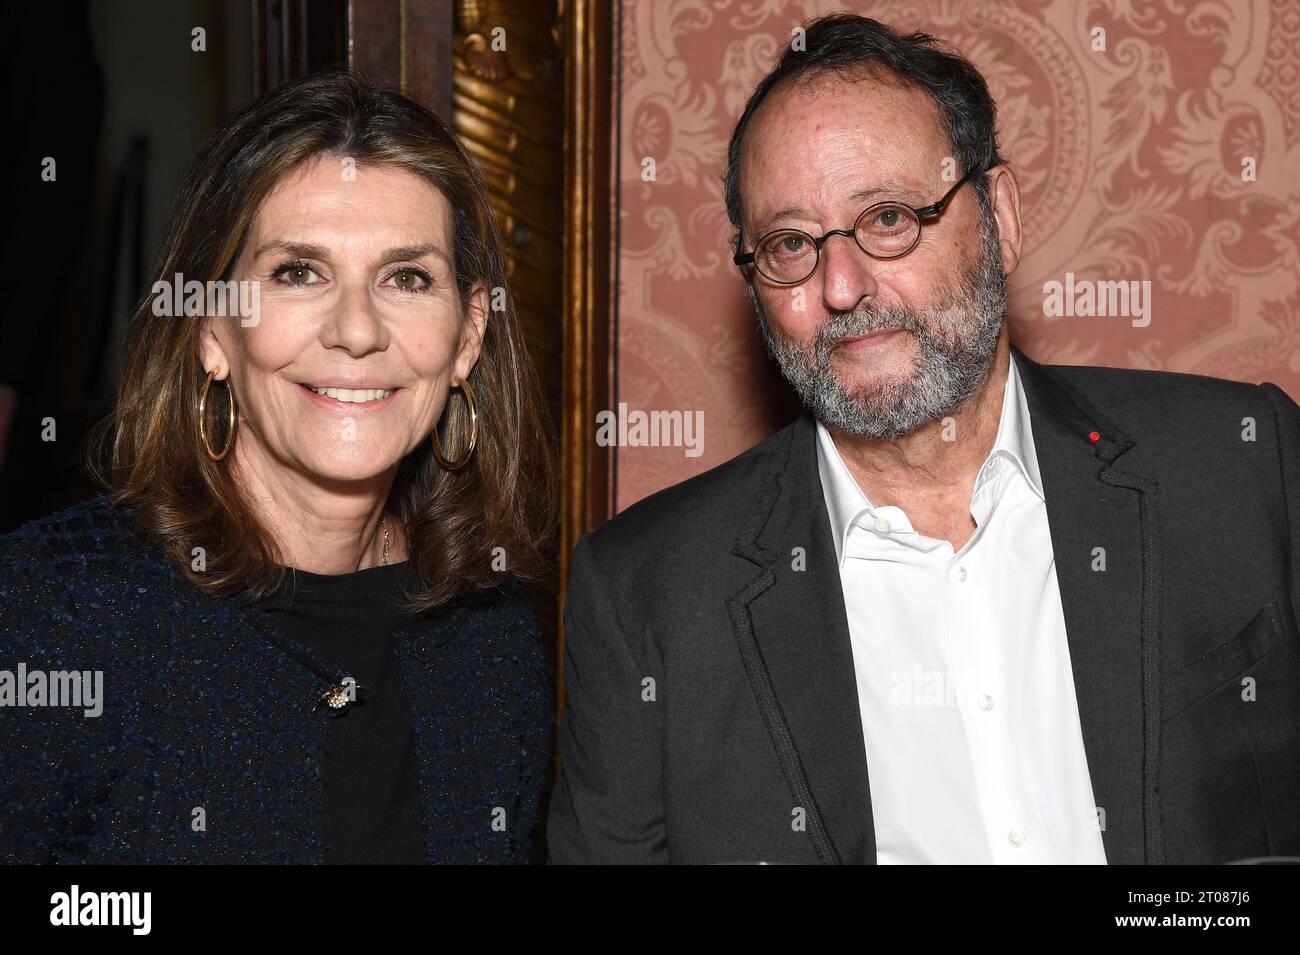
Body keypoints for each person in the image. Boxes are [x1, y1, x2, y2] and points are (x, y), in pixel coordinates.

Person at [549, 14, 1300, 864]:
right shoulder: (646, 596)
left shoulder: (1246, 465)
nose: (841, 285)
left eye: (890, 216)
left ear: (1000, 216)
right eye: (791, 242)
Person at [0, 68, 557, 864]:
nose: (357, 330)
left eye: (407, 277)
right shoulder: (53, 613)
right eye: (298, 272)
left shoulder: (490, 643)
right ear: (211, 328)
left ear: (467, 337)